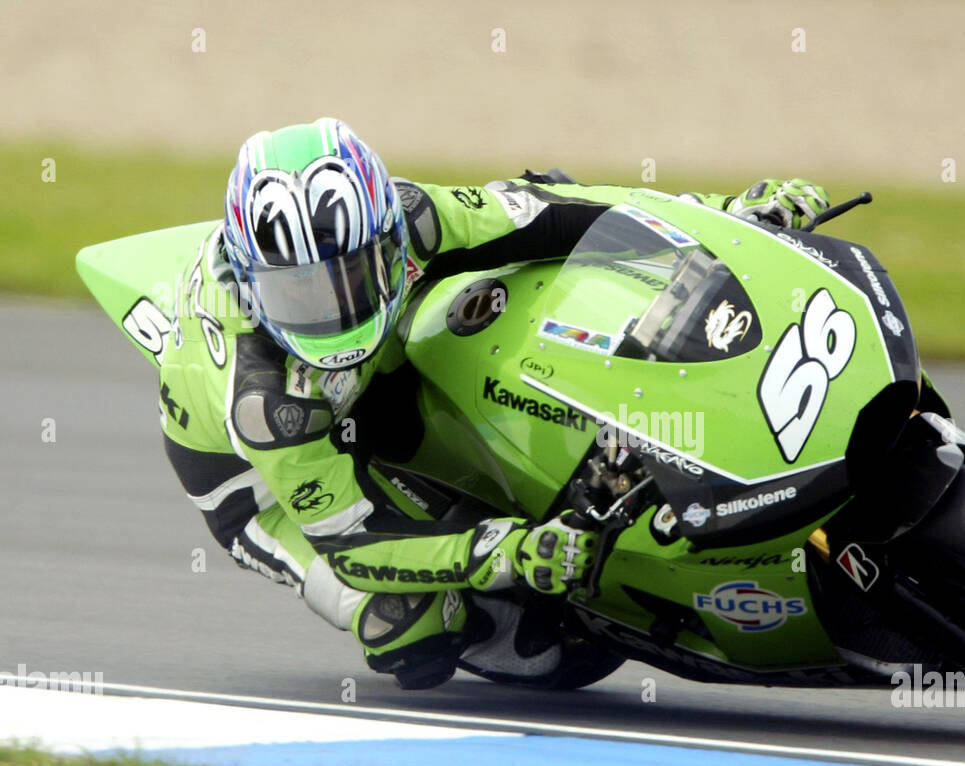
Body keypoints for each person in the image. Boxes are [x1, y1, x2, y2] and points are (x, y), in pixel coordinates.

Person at [159, 117, 831, 690]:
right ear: (254, 285)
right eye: (301, 296)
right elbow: (354, 545)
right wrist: (505, 553)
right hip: (253, 483)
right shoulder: (263, 401)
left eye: (355, 277)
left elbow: (556, 211)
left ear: (389, 235)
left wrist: (723, 218)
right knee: (410, 626)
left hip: (379, 371)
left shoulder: (415, 215)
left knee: (532, 253)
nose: (335, 314)